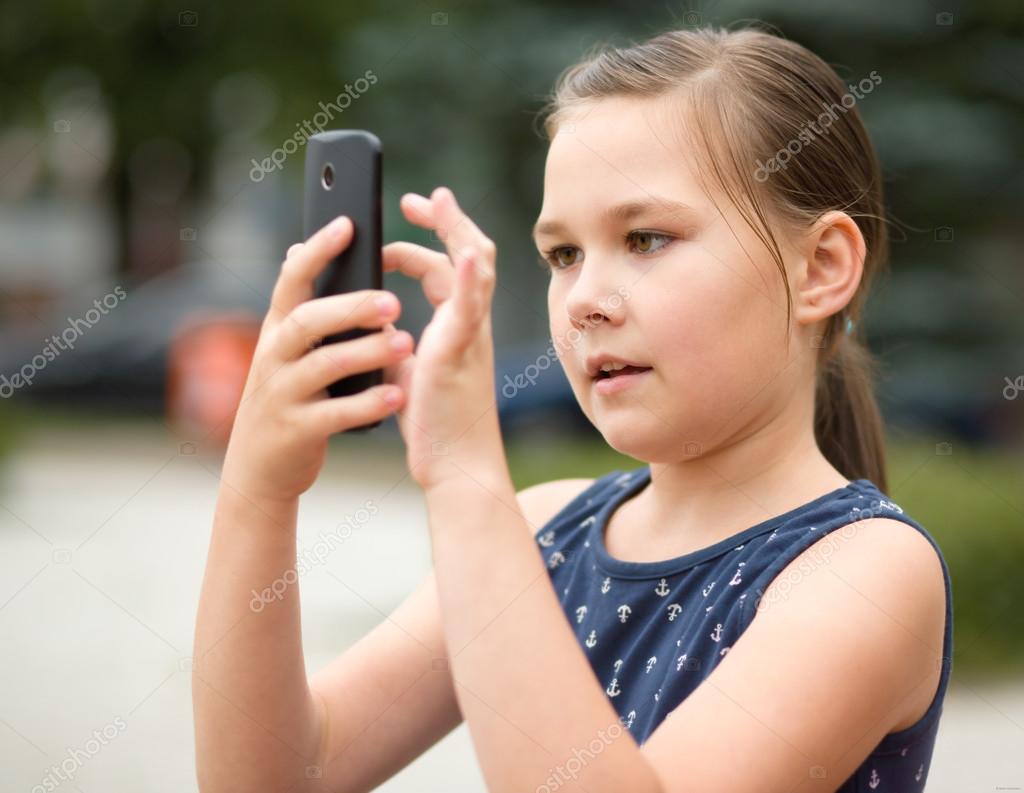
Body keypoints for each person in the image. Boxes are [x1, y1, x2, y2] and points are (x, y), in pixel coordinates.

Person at [192, 24, 953, 793]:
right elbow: (280, 777)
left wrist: (464, 480)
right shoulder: (545, 534)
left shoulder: (870, 573)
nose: (586, 299)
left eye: (646, 237)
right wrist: (257, 489)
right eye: (564, 255)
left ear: (820, 268)